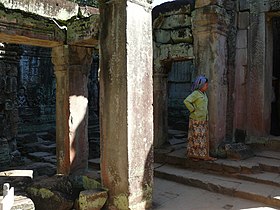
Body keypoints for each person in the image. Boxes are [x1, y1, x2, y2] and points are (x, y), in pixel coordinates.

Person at [183, 75, 216, 161]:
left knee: (202, 138)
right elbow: (186, 101)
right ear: (201, 86)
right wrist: (192, 109)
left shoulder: (204, 94)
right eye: (206, 85)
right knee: (195, 138)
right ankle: (194, 155)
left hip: (203, 119)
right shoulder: (195, 94)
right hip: (196, 119)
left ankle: (203, 155)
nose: (207, 86)